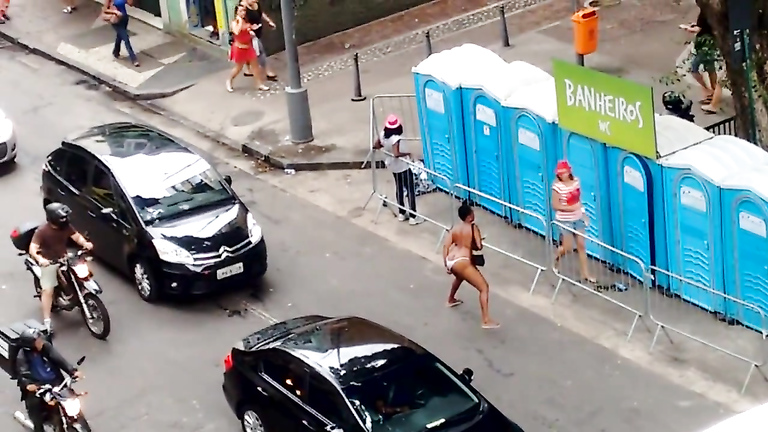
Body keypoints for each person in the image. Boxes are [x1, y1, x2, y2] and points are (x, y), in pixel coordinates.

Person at [29, 203, 93, 334]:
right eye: (62, 218)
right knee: (48, 290)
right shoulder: (42, 231)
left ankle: (78, 295)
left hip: (65, 257)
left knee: (82, 274)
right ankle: (47, 321)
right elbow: (33, 248)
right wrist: (41, 259)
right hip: (49, 261)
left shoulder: (66, 227)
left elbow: (76, 236)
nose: (65, 220)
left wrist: (84, 243)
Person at [442, 201, 499, 329]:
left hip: (452, 259)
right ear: (469, 217)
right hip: (463, 260)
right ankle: (485, 320)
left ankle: (451, 299)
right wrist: (474, 242)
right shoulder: (473, 228)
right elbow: (479, 247)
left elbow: (446, 246)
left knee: (460, 277)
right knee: (484, 288)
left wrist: (446, 264)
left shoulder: (455, 228)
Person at [16, 328, 83, 432]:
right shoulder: (22, 356)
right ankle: (39, 428)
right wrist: (28, 384)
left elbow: (59, 359)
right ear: (30, 345)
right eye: (37, 341)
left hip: (56, 382)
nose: (40, 341)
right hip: (38, 387)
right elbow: (23, 373)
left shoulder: (46, 347)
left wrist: (72, 371)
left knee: (71, 399)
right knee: (35, 406)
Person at [373, 115, 424, 226]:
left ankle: (402, 213)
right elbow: (396, 153)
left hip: (392, 166)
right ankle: (413, 216)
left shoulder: (383, 135)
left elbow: (376, 145)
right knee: (410, 189)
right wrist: (407, 154)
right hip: (402, 166)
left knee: (399, 188)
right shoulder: (396, 139)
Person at [551, 160, 596, 284]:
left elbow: (577, 200)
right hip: (565, 220)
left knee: (582, 245)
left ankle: (585, 274)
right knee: (568, 247)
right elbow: (555, 205)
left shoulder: (576, 182)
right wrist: (569, 208)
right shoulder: (556, 187)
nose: (562, 175)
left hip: (578, 217)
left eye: (564, 173)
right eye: (560, 173)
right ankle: (556, 257)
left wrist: (583, 213)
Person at [680, 9, 721, 114]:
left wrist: (686, 28)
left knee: (694, 69)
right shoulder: (713, 10)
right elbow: (704, 26)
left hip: (704, 48)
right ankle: (711, 94)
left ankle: (710, 94)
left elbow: (698, 29)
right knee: (711, 71)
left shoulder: (705, 11)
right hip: (710, 46)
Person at [227, 5, 269, 92]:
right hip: (239, 48)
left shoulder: (246, 20)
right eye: (240, 11)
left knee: (255, 66)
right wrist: (240, 21)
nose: (243, 13)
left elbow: (247, 29)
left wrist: (251, 30)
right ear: (237, 12)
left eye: (244, 11)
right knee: (238, 67)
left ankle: (259, 84)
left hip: (248, 46)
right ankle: (229, 80)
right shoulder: (235, 22)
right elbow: (236, 31)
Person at [242, 0, 277, 81]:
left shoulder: (256, 4)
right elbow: (240, 20)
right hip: (249, 34)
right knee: (261, 52)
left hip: (257, 32)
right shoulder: (243, 6)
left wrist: (269, 21)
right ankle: (267, 71)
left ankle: (247, 69)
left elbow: (261, 13)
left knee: (248, 51)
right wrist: (249, 28)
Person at [104, 0, 139, 67]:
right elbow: (105, 9)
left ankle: (115, 52)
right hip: (116, 20)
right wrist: (115, 12)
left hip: (124, 19)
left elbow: (130, 4)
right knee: (126, 38)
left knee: (120, 36)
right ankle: (134, 59)